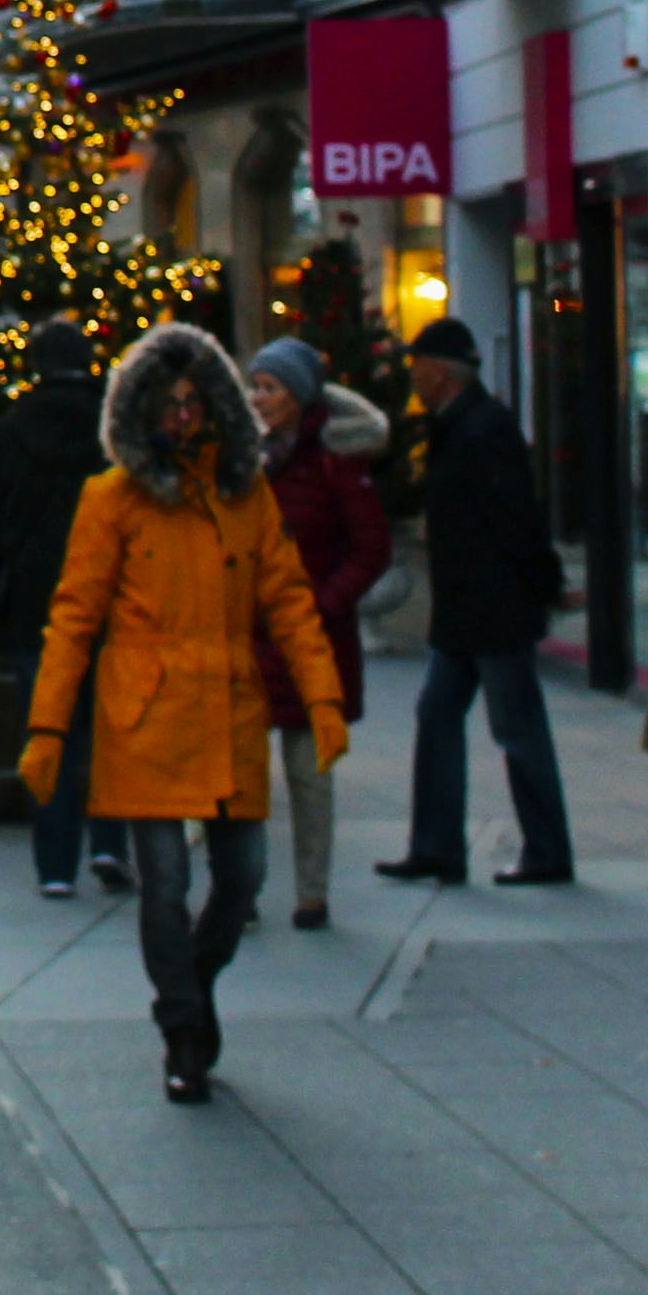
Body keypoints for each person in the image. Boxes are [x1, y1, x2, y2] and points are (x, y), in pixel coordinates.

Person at [21, 323, 344, 1105]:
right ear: (140, 409)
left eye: (196, 401)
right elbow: (74, 616)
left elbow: (290, 599)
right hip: (147, 715)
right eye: (169, 403)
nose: (183, 417)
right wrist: (48, 728)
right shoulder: (113, 500)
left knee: (243, 874)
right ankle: (182, 1031)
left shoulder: (245, 493)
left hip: (228, 708)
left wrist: (322, 694)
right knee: (162, 880)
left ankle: (193, 992)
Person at [374, 318, 574, 889]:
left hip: (494, 606)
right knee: (437, 717)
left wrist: (543, 583)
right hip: (466, 608)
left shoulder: (484, 429)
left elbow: (518, 517)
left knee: (516, 728)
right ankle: (437, 847)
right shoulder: (456, 426)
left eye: (417, 366)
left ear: (439, 372)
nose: (412, 376)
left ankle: (546, 849)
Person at [0, 320, 121, 901]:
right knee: (109, 725)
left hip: (37, 600)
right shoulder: (111, 427)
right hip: (105, 592)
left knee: (51, 725)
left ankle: (55, 861)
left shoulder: (12, 430)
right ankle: (110, 839)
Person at [240, 337, 393, 932]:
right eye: (254, 386)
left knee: (309, 773)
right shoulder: (241, 459)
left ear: (299, 397)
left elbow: (370, 548)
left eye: (270, 388)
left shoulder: (335, 461)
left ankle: (311, 892)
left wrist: (324, 605)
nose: (258, 398)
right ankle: (242, 888)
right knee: (243, 777)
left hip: (310, 639)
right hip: (250, 636)